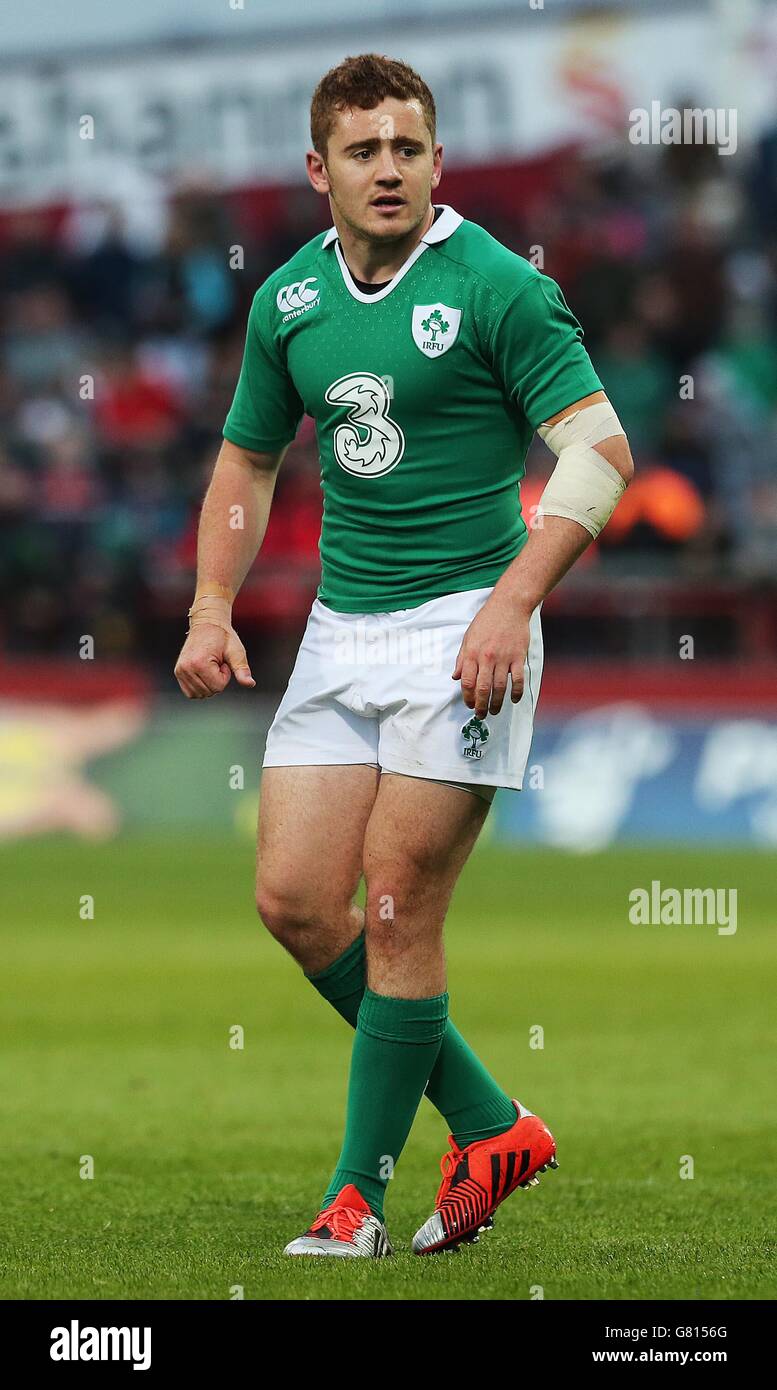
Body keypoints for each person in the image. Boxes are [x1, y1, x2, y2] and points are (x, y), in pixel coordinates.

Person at [174, 53, 634, 1258]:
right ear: (317, 170)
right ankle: (491, 1123)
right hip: (341, 629)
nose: (391, 168)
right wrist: (212, 605)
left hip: (465, 628)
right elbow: (247, 463)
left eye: (410, 147)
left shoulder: (497, 287)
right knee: (292, 899)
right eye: (365, 150)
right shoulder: (286, 302)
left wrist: (512, 605)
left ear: (440, 161)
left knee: (393, 904)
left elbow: (596, 457)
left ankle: (356, 1200)